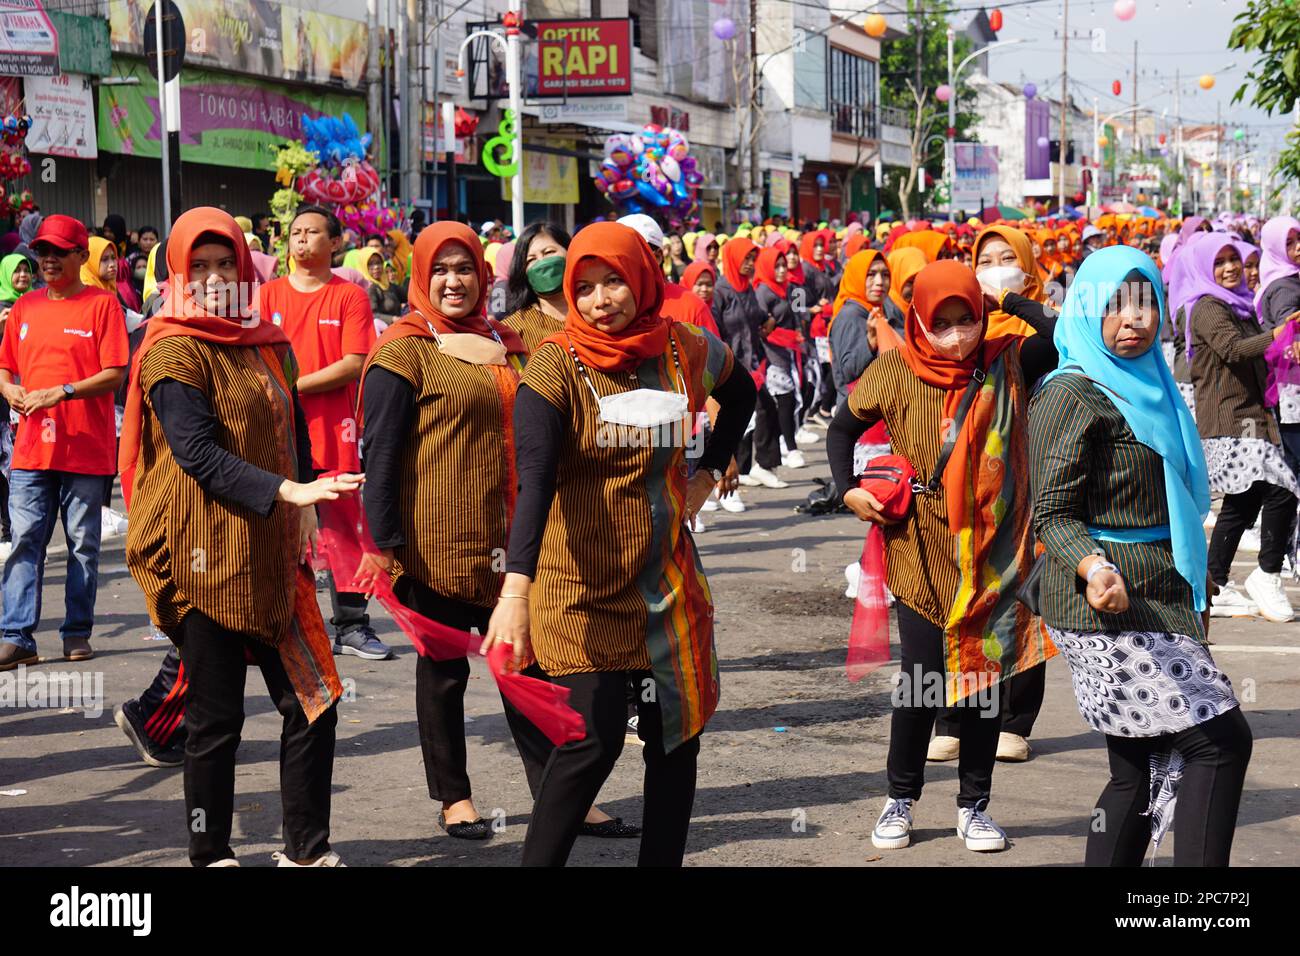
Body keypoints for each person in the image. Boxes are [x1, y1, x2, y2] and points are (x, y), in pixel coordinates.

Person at [484, 221, 757, 866]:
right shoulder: (551, 366)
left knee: (674, 738)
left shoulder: (685, 347)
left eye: (614, 281)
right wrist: (515, 591)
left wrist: (709, 471)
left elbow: (740, 391)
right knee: (591, 741)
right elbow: (536, 482)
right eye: (585, 286)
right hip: (580, 587)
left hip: (667, 582)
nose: (602, 298)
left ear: (641, 278)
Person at [121, 206, 359, 867]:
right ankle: (210, 853)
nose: (216, 276)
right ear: (176, 273)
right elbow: (195, 452)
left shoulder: (269, 340)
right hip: (203, 551)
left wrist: (307, 495)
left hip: (274, 552)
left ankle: (307, 852)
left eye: (226, 262)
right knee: (215, 723)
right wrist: (285, 491)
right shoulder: (170, 349)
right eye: (199, 267)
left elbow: (294, 429)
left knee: (316, 702)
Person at [825, 260, 1059, 854]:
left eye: (967, 319)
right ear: (921, 322)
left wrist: (1004, 298)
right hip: (919, 551)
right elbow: (840, 430)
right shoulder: (895, 368)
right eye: (943, 322)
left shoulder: (1008, 358)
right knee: (923, 681)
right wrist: (846, 488)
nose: (958, 334)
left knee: (982, 682)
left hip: (992, 554)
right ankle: (900, 798)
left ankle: (974, 805)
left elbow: (1063, 335)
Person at [1029, 246, 1252, 866]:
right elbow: (1052, 513)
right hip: (1103, 601)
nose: (1135, 319)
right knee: (1219, 742)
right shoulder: (1070, 393)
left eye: (1147, 301)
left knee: (1139, 766)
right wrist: (1095, 567)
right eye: (1116, 305)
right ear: (1088, 309)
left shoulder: (1153, 382)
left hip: (1160, 588)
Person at [928, 224, 1055, 764]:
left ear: (1028, 268)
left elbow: (1060, 336)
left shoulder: (1022, 342)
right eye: (986, 260)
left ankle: (1014, 720)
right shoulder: (953, 334)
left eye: (1008, 258)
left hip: (1024, 487)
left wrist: (1006, 298)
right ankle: (953, 715)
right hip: (960, 494)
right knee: (959, 598)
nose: (995, 265)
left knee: (1023, 598)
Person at [259, 205, 392, 659]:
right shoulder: (267, 296)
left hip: (333, 430)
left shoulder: (349, 296)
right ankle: (277, 625)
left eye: (312, 232)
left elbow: (355, 362)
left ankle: (352, 624)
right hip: (277, 430)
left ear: (334, 243)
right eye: (295, 233)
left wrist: (291, 385)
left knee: (340, 527)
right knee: (277, 523)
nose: (300, 240)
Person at [0, 216, 128, 671]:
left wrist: (64, 391)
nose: (48, 259)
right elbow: (5, 367)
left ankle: (77, 630)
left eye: (59, 251)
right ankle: (16, 636)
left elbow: (115, 373)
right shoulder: (24, 308)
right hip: (32, 448)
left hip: (85, 448)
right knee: (24, 540)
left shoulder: (102, 306)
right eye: (42, 251)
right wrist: (8, 388)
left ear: (80, 255)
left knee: (82, 543)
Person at [1180, 235, 1300, 622]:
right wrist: (1279, 334)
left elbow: (1256, 352)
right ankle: (1265, 575)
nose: (1231, 268)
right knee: (1281, 489)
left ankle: (1215, 581)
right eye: (1220, 262)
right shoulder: (1209, 307)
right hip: (1232, 417)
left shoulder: (1239, 304)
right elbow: (1233, 349)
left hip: (1250, 413)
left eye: (1235, 259)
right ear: (1204, 268)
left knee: (1244, 500)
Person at [713, 236, 786, 489]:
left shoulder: (748, 288)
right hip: (729, 366)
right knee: (743, 414)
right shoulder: (720, 291)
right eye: (746, 258)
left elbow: (754, 315)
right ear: (733, 259)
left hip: (751, 362)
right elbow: (714, 329)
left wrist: (766, 320)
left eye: (753, 259)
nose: (750, 263)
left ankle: (762, 465)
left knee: (765, 409)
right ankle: (738, 468)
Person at [828, 249, 893, 411]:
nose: (879, 281)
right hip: (856, 419)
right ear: (857, 277)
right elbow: (848, 372)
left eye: (885, 275)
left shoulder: (874, 310)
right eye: (871, 274)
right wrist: (870, 342)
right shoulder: (851, 315)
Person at [502, 221, 572, 351]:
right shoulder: (513, 330)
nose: (542, 263)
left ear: (570, 252)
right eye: (531, 259)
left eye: (549, 252)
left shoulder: (597, 314)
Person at [345, 247, 406, 325]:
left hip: (396, 327)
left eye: (378, 262)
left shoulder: (387, 284)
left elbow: (407, 296)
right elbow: (371, 314)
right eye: (370, 264)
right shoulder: (369, 288)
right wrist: (392, 319)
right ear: (363, 266)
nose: (376, 267)